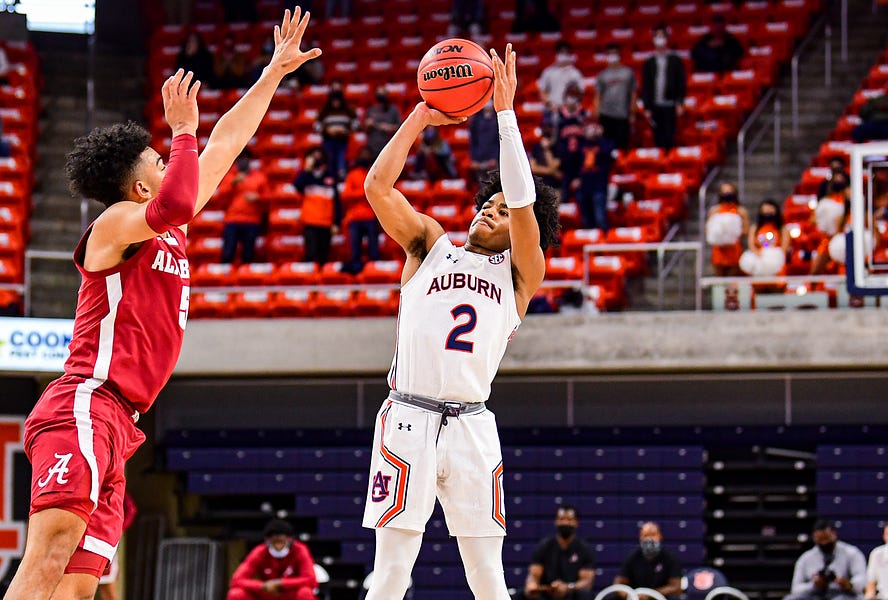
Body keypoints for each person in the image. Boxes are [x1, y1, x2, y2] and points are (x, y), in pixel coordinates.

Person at [2, 10, 321, 600]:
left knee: (78, 587)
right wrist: (181, 130)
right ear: (143, 185)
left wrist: (273, 72)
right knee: (46, 559)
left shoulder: (161, 222)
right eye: (160, 160)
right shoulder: (117, 223)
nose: (176, 163)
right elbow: (179, 198)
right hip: (86, 404)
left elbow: (226, 140)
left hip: (121, 423)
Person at [360, 44, 560, 600]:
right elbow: (376, 188)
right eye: (484, 204)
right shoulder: (429, 243)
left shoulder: (520, 272)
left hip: (473, 424)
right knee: (393, 570)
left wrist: (505, 115)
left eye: (500, 210)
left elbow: (523, 201)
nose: (487, 211)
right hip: (408, 416)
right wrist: (421, 114)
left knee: (487, 575)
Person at [517, 505, 595, 600]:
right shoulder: (544, 546)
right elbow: (533, 576)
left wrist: (567, 587)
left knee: (585, 595)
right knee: (522, 595)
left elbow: (586, 582)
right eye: (562, 519)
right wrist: (532, 585)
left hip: (571, 593)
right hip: (547, 593)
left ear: (576, 522)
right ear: (556, 521)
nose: (565, 523)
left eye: (569, 519)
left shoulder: (584, 548)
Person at [227, 519, 317, 600]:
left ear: (290, 539)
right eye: (275, 542)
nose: (278, 547)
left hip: (289, 593)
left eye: (281, 542)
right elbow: (236, 580)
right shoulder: (259, 551)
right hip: (268, 592)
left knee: (305, 593)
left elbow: (311, 580)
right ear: (268, 540)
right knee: (236, 594)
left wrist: (281, 583)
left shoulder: (300, 550)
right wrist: (262, 585)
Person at [785, 520, 866, 600]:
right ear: (814, 538)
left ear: (834, 534)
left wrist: (849, 584)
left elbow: (862, 579)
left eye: (826, 539)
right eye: (820, 540)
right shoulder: (806, 558)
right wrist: (813, 585)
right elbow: (795, 589)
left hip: (844, 594)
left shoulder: (852, 553)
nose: (824, 543)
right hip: (815, 594)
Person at [219, 149, 269, 264]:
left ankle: (246, 279)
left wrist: (258, 197)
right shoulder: (229, 176)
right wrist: (234, 183)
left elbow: (267, 198)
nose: (243, 161)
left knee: (248, 255)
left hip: (252, 221)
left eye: (245, 158)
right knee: (228, 253)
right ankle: (226, 280)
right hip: (232, 220)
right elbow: (220, 196)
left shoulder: (259, 176)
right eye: (240, 158)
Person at [641, 24, 686, 151]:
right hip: (655, 106)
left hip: (670, 105)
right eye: (657, 36)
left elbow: (680, 83)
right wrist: (647, 107)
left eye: (662, 36)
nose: (660, 38)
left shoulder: (675, 60)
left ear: (667, 37)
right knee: (658, 137)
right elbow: (646, 86)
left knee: (670, 136)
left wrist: (679, 103)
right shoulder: (649, 62)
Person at [294, 146, 341, 266]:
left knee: (323, 256)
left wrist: (336, 222)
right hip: (310, 222)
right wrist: (306, 169)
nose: (316, 159)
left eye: (319, 156)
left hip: (326, 223)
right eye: (313, 156)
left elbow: (336, 202)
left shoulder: (330, 176)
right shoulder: (306, 176)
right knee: (310, 254)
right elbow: (297, 185)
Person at [614, 521, 682, 600]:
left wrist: (650, 595)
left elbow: (676, 588)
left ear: (660, 536)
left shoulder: (670, 558)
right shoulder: (632, 557)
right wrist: (631, 595)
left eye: (653, 535)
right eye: (645, 535)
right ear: (640, 538)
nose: (649, 539)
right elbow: (618, 584)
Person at [341, 147, 380, 274]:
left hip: (370, 216)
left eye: (367, 154)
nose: (365, 157)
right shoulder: (352, 174)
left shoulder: (373, 173)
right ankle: (356, 272)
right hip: (355, 217)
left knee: (374, 250)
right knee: (355, 250)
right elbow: (345, 195)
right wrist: (365, 192)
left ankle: (374, 272)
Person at [553, 86, 592, 202]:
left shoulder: (584, 114)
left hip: (580, 159)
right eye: (569, 98)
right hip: (564, 159)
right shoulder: (558, 116)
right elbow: (555, 140)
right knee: (564, 194)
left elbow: (590, 141)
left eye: (574, 98)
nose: (571, 101)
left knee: (582, 196)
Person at [574, 123, 615, 231]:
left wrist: (600, 137)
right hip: (584, 187)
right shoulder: (581, 145)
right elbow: (574, 163)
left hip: (599, 186)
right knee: (586, 219)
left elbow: (608, 152)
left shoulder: (605, 144)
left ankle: (603, 241)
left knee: (600, 218)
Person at [594, 43, 636, 151]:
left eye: (615, 54)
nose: (612, 56)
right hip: (606, 115)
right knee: (607, 147)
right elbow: (598, 95)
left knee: (622, 146)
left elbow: (633, 93)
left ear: (619, 55)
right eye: (610, 54)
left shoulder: (628, 72)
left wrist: (632, 112)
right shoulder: (602, 75)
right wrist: (597, 112)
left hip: (622, 115)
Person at [96, 493, 137, 600]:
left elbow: (131, 509)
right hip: (91, 540)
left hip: (103, 542)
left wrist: (118, 528)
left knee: (107, 590)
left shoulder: (114, 487)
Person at [316, 79, 358, 180]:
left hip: (343, 141)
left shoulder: (349, 109)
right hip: (328, 140)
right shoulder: (324, 110)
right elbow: (316, 126)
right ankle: (329, 178)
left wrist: (345, 131)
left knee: (341, 161)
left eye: (337, 99)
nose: (336, 102)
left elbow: (356, 125)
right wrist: (327, 130)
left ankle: (342, 178)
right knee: (329, 160)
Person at [705, 182, 749, 277]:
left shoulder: (741, 211)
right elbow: (708, 229)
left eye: (729, 191)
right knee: (719, 279)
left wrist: (731, 233)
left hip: (734, 249)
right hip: (719, 250)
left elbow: (746, 231)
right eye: (724, 191)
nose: (727, 193)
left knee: (732, 280)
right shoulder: (715, 210)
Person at [739, 198, 790, 277]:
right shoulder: (755, 228)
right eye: (766, 210)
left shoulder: (782, 229)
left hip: (776, 264)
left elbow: (784, 247)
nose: (768, 212)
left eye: (771, 209)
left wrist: (774, 258)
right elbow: (751, 245)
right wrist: (760, 256)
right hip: (759, 263)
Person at [537, 41, 585, 114]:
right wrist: (550, 105)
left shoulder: (575, 73)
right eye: (561, 52)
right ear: (556, 54)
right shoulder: (548, 72)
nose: (563, 55)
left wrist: (571, 105)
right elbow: (542, 92)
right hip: (552, 110)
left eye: (566, 53)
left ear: (570, 54)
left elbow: (580, 92)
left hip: (571, 110)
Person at [364, 86, 402, 159]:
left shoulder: (393, 110)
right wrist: (368, 125)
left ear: (387, 95)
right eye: (379, 93)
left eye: (382, 93)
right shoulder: (371, 110)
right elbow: (365, 129)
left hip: (389, 145)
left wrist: (390, 127)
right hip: (373, 146)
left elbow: (400, 127)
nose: (380, 95)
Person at [469, 101, 500, 185]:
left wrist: (495, 157)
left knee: (493, 187)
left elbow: (499, 141)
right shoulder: (476, 121)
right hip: (479, 158)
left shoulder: (497, 120)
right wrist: (474, 159)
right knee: (482, 188)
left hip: (493, 160)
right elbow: (473, 141)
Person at [529, 122, 562, 191]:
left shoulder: (557, 147)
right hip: (539, 185)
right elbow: (533, 168)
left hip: (554, 186)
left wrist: (546, 150)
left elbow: (554, 167)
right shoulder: (536, 147)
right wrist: (550, 171)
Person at [865, 524, 888, 600]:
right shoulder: (877, 554)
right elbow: (871, 583)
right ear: (884, 537)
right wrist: (869, 596)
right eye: (887, 534)